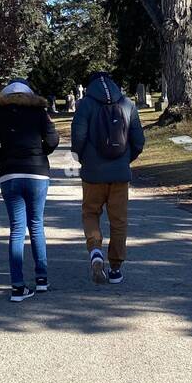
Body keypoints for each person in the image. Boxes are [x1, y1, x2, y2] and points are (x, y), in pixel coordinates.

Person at [0, 79, 59, 301]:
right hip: (37, 173)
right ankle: (41, 279)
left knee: (17, 229)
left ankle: (17, 285)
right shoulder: (39, 112)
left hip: (10, 174)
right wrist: (38, 153)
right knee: (36, 225)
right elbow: (53, 140)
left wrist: (4, 158)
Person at [70, 71, 145, 285]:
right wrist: (125, 160)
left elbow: (78, 138)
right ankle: (116, 267)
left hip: (93, 173)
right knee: (119, 220)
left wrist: (84, 158)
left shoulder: (85, 105)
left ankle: (95, 250)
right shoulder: (128, 104)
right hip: (120, 174)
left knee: (91, 213)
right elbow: (138, 140)